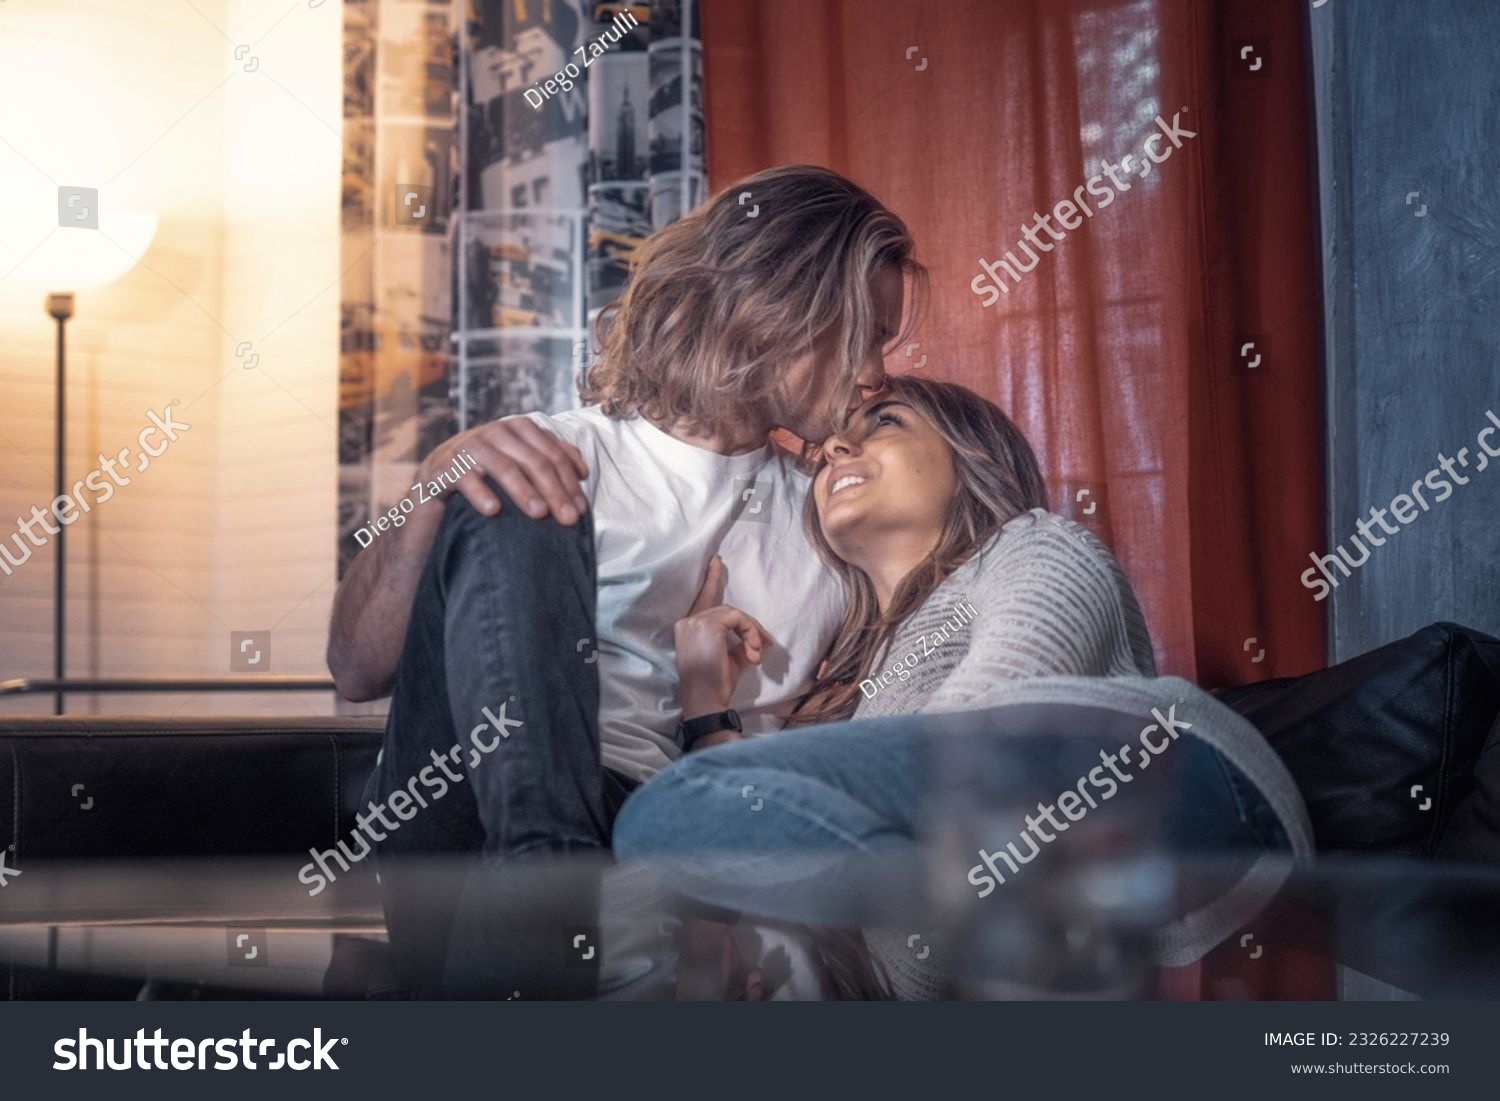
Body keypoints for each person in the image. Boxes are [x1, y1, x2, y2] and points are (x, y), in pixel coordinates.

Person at [326, 165, 927, 996]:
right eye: (863, 334)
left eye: (885, 343)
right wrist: (436, 477)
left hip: (673, 837)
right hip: (475, 836)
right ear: (774, 306)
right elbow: (355, 668)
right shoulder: (555, 449)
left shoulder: (836, 510)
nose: (875, 372)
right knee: (516, 481)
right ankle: (551, 887)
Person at [612, 376, 1312, 997]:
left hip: (1183, 783)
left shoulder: (1029, 543)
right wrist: (706, 703)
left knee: (666, 819)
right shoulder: (851, 685)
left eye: (883, 423)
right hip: (965, 934)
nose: (833, 451)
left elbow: (1000, 720)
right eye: (829, 446)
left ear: (972, 457)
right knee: (674, 836)